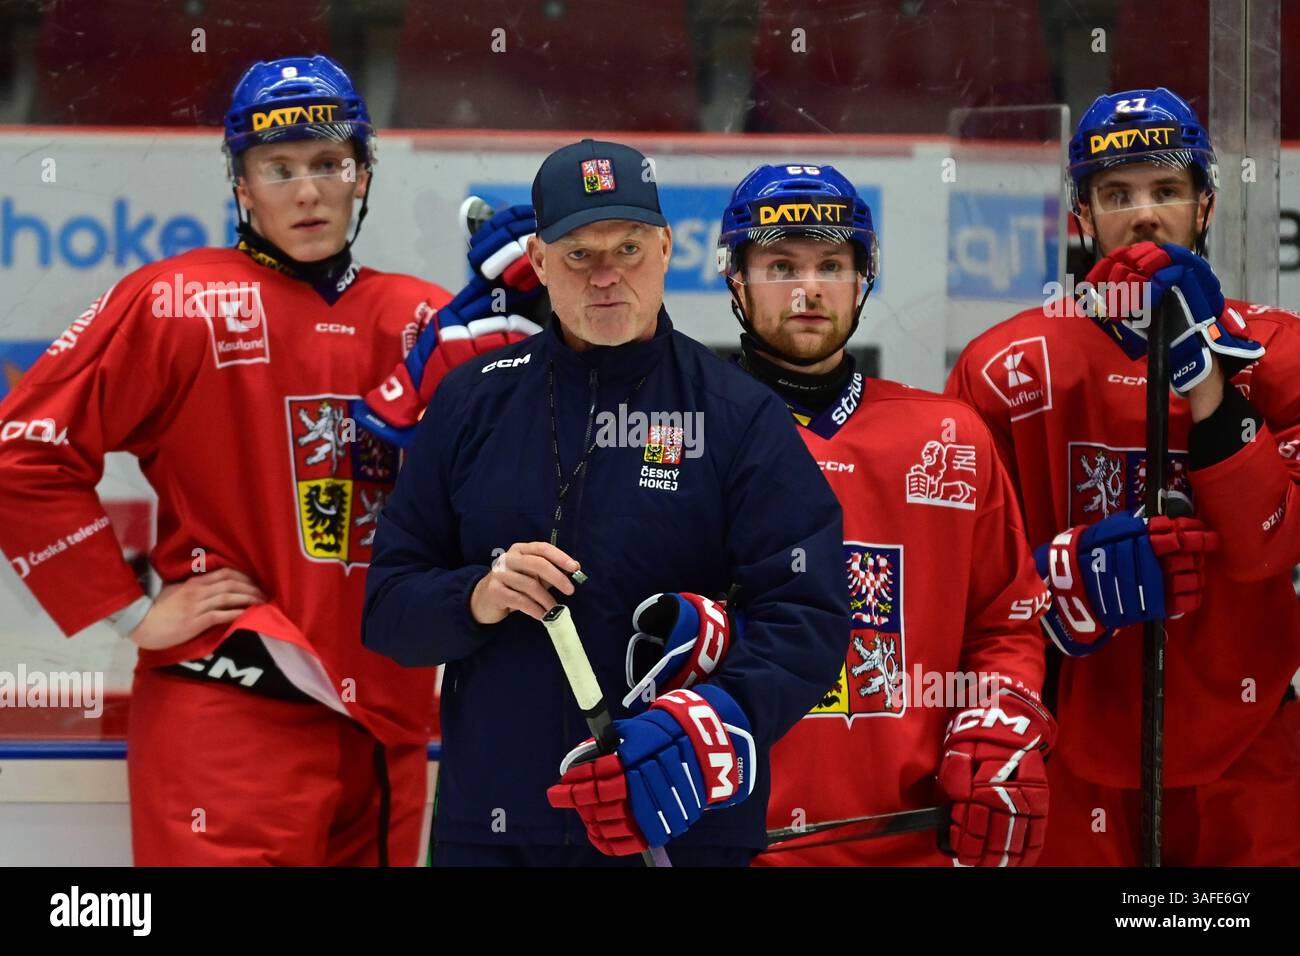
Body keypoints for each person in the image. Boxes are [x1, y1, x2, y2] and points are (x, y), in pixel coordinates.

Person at [0, 54, 484, 866]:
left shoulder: (426, 318)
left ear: (362, 175)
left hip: (386, 729)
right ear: (241, 185)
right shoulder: (174, 301)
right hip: (229, 710)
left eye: (329, 164)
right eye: (278, 167)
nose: (306, 191)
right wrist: (132, 614)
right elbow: (23, 454)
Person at [361, 138, 849, 866]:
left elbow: (808, 616)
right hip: (493, 833)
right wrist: (480, 595)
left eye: (626, 248)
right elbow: (389, 611)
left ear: (664, 248)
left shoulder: (740, 415)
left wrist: (717, 718)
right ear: (539, 261)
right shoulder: (470, 401)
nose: (606, 277)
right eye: (580, 254)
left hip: (678, 828)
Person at [630, 164, 1058, 866]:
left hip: (912, 841)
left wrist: (998, 722)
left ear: (865, 277)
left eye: (832, 263)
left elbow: (1004, 623)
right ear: (733, 278)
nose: (808, 288)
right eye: (779, 265)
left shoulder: (948, 435)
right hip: (733, 844)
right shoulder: (673, 431)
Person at [947, 87, 1300, 865]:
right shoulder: (1006, 368)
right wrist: (1063, 580)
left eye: (1167, 190)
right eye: (1118, 194)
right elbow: (962, 591)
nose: (1144, 215)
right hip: (1069, 749)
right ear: (1082, 213)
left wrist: (1208, 381)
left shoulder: (1280, 357)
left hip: (1250, 748)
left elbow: (1268, 548)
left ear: (1205, 204)